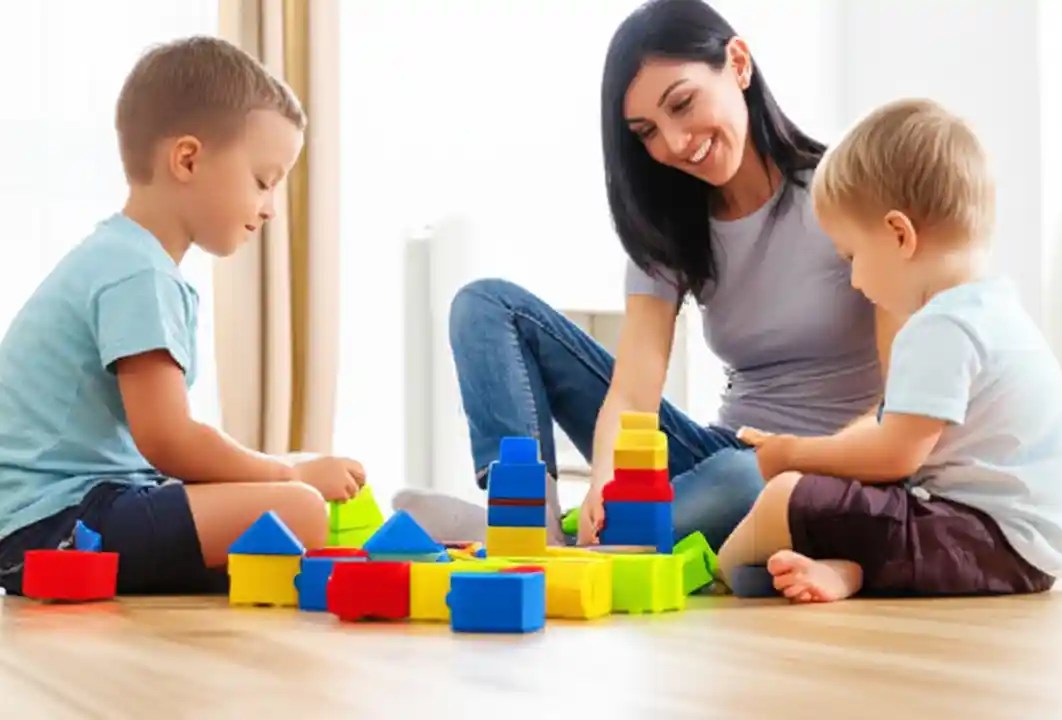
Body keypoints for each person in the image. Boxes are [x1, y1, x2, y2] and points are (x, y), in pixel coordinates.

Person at [393, 0, 895, 551]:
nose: (675, 143)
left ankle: (563, 544)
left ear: (739, 65)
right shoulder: (671, 224)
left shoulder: (844, 195)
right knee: (487, 305)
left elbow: (900, 398)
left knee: (739, 479)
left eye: (682, 104)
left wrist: (812, 458)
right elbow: (633, 391)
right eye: (647, 131)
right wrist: (607, 482)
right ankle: (527, 521)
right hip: (717, 453)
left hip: (821, 469)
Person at [0, 37, 366, 596]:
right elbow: (168, 439)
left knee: (287, 498)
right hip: (54, 530)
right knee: (300, 507)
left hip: (64, 517)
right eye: (263, 181)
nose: (269, 207)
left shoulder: (125, 257)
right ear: (188, 159)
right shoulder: (136, 272)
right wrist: (288, 476)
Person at [716, 98, 1062, 602]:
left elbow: (895, 454)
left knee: (784, 498)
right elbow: (901, 445)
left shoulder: (941, 326)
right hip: (1006, 543)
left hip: (990, 541)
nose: (852, 278)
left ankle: (717, 572)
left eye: (852, 255)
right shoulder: (992, 308)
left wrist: (791, 454)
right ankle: (850, 571)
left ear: (899, 234)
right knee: (852, 501)